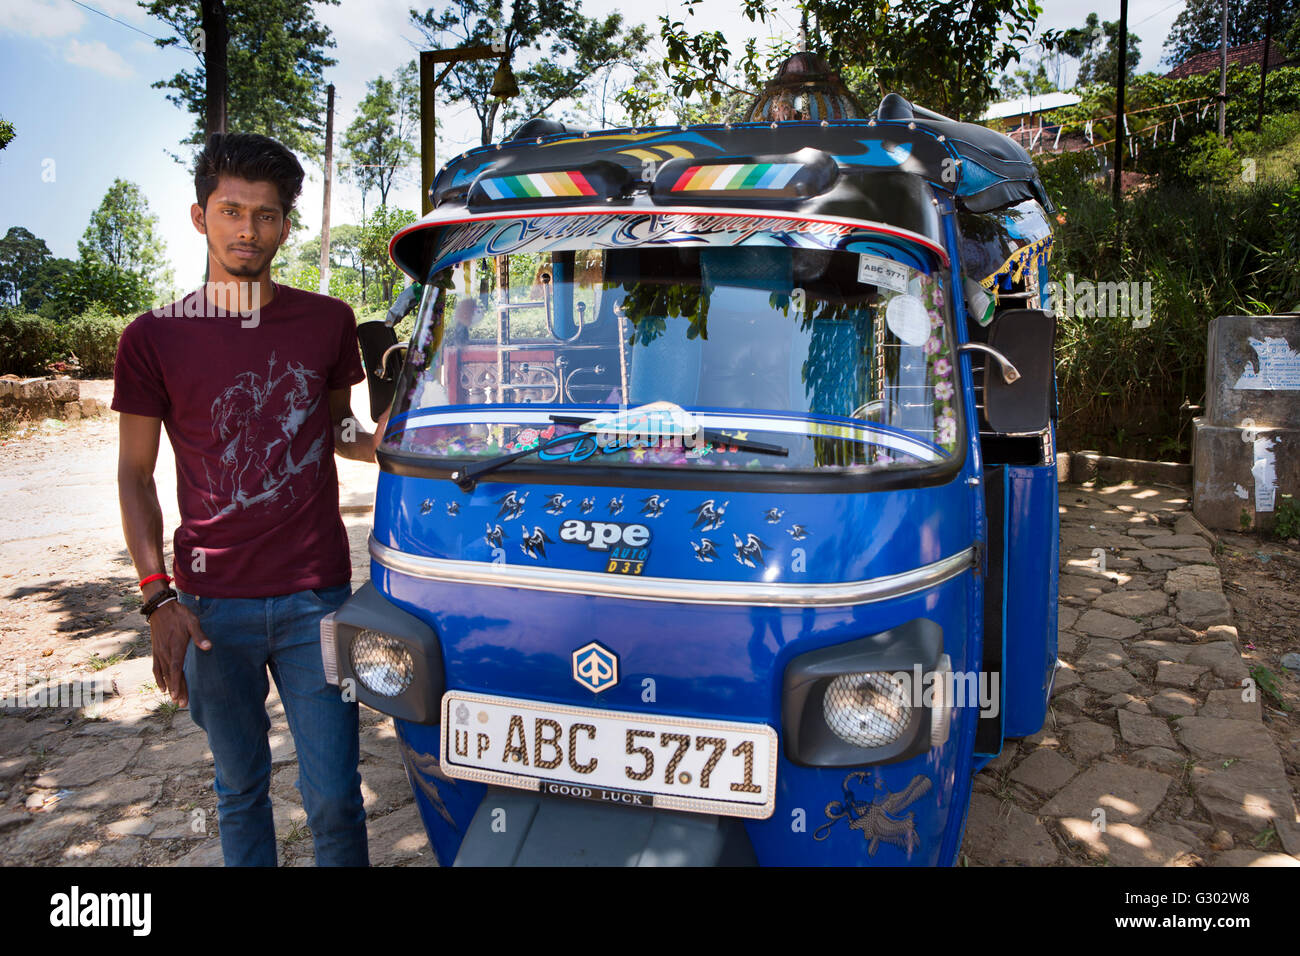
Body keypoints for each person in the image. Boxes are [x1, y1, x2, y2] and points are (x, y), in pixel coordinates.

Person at [113, 132, 381, 867]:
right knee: (238, 789)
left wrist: (397, 442)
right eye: (231, 210)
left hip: (315, 597)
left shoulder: (327, 321)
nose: (248, 230)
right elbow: (135, 475)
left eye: (265, 215)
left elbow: (336, 428)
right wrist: (156, 599)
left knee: (333, 797)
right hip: (209, 610)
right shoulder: (153, 337)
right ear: (201, 216)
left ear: (286, 226)